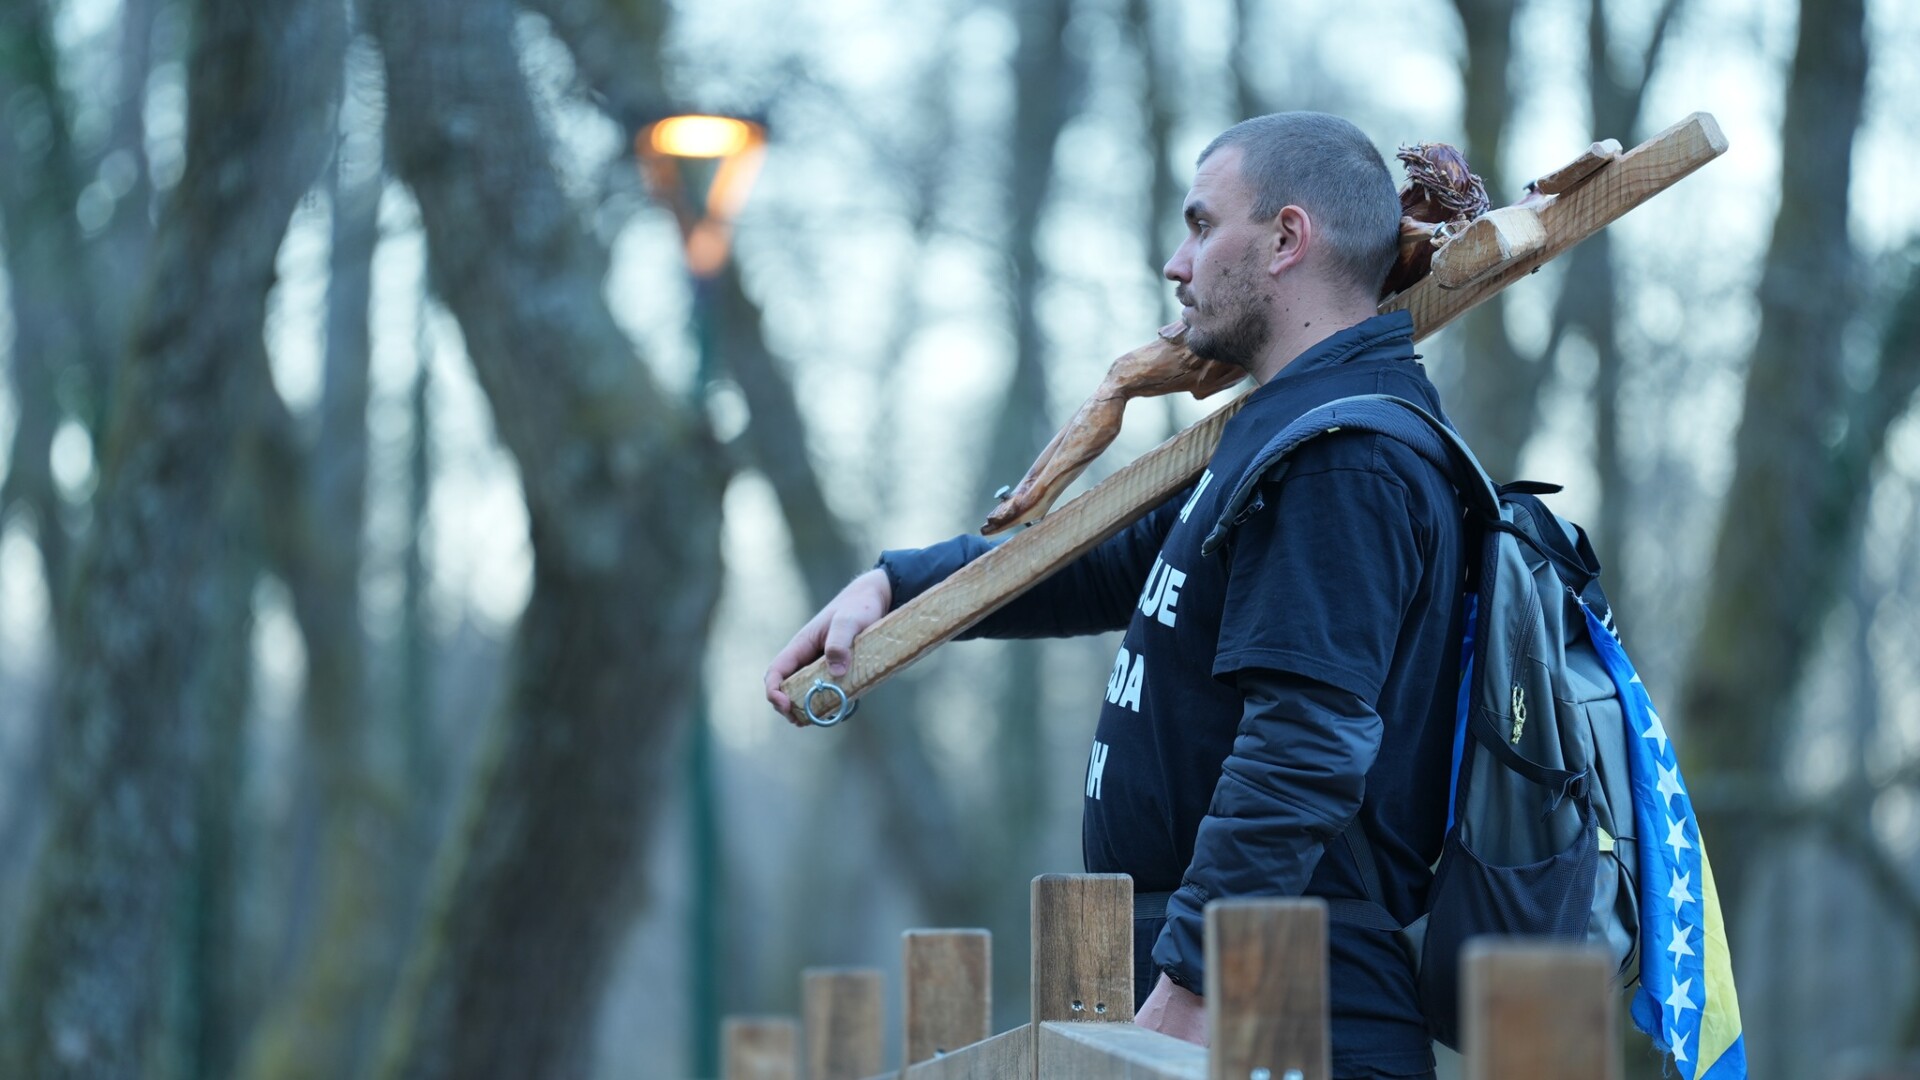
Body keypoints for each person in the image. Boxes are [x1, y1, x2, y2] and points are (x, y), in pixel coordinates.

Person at [765, 112, 1464, 1080]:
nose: (1176, 265)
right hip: (1219, 981)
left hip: (1278, 1004)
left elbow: (1307, 744)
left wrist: (1192, 983)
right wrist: (896, 584)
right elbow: (1111, 559)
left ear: (1286, 239)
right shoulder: (1274, 432)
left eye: (1200, 224)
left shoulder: (1344, 457)